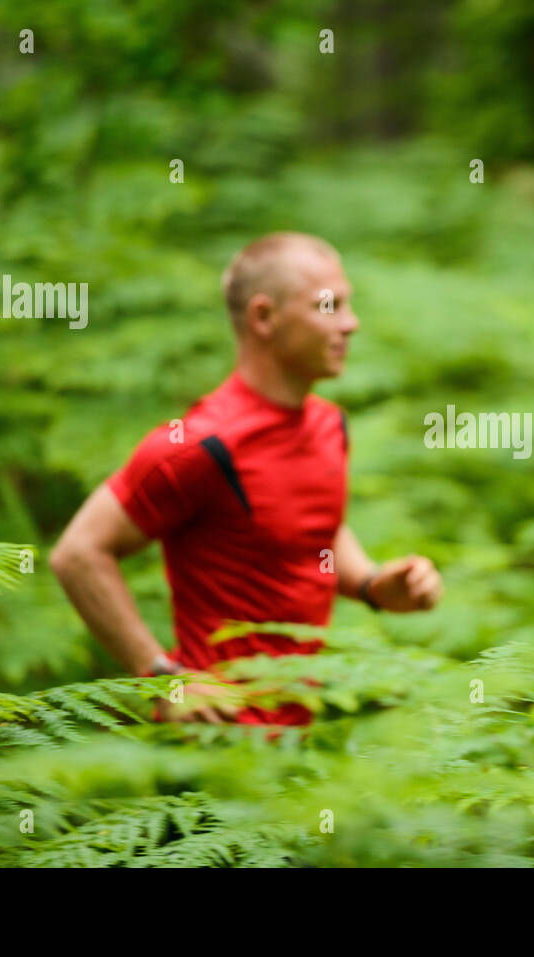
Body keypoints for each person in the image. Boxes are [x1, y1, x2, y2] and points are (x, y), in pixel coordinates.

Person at [49, 232, 443, 724]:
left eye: (349, 305)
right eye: (329, 305)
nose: (351, 323)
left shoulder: (327, 425)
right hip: (214, 753)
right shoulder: (198, 445)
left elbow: (310, 526)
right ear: (263, 318)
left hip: (301, 736)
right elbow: (78, 553)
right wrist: (163, 677)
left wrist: (372, 584)